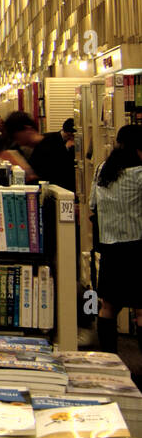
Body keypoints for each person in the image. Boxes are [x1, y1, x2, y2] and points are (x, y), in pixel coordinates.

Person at [89, 125, 142, 353]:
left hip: (110, 250)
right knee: (140, 310)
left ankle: (111, 358)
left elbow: (92, 206)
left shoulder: (102, 169)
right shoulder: (140, 173)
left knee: (108, 306)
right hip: (137, 248)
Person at [6, 111, 74, 190]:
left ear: (27, 129)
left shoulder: (50, 146)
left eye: (16, 137)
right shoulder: (22, 149)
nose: (17, 141)